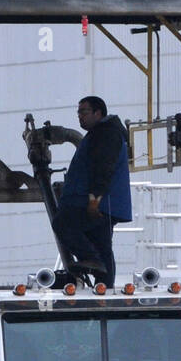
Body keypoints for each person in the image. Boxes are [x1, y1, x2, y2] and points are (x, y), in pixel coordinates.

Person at [53, 95, 132, 286]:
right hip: (106, 203)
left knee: (63, 224)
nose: (80, 117)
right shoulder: (105, 132)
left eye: (84, 112)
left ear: (98, 113)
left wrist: (94, 199)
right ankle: (105, 285)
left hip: (99, 202)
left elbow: (103, 168)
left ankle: (92, 260)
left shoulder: (106, 134)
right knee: (102, 245)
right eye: (78, 113)